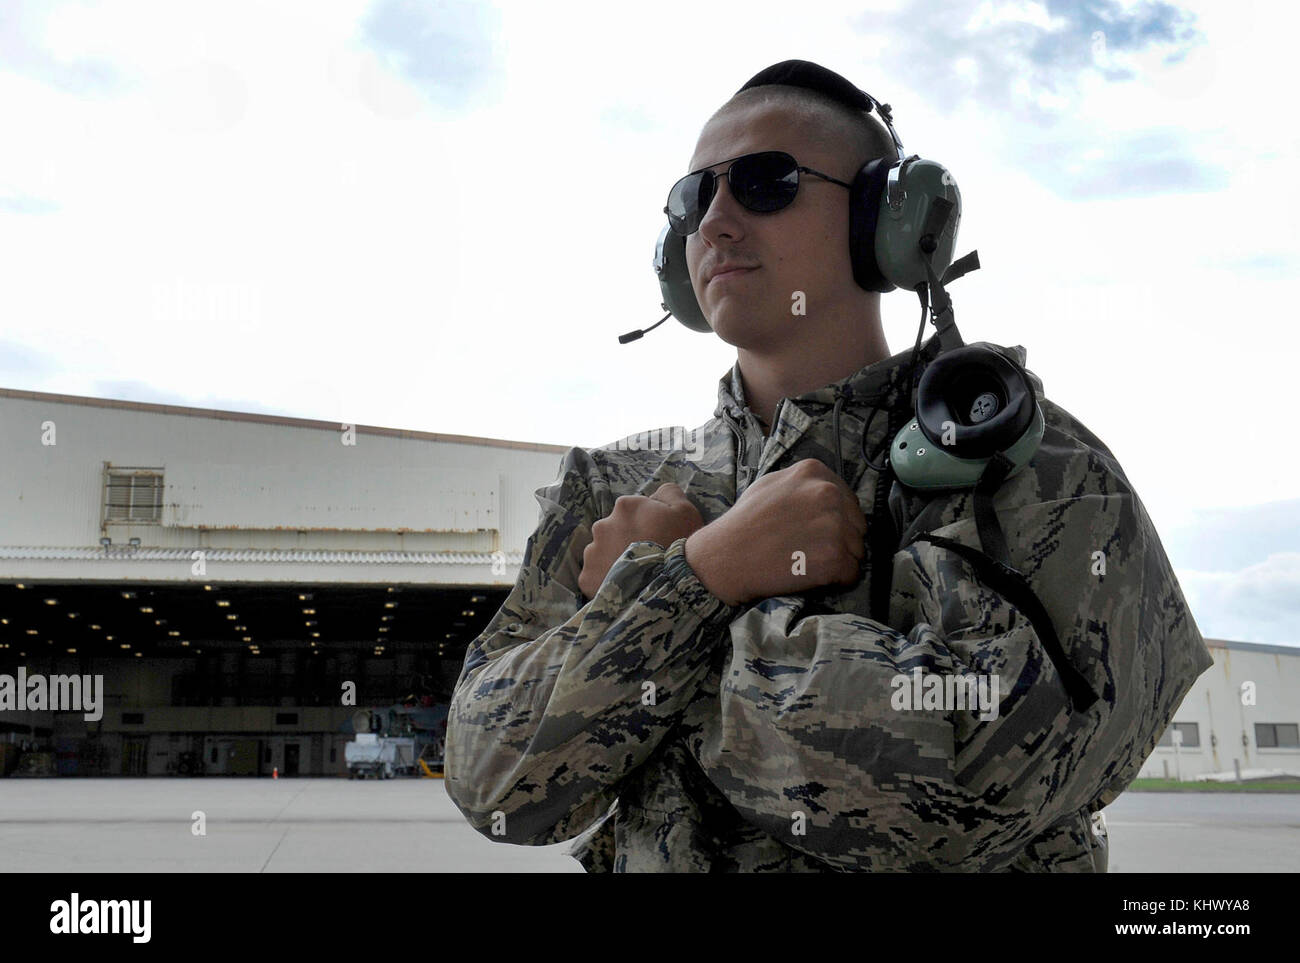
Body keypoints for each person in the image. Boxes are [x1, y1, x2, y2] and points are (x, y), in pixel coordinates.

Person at [444, 60, 1213, 871]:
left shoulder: (1028, 460)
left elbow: (970, 781)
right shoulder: (610, 491)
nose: (715, 224)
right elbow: (493, 779)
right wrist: (701, 572)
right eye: (693, 198)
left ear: (889, 220)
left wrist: (668, 612)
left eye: (766, 182)